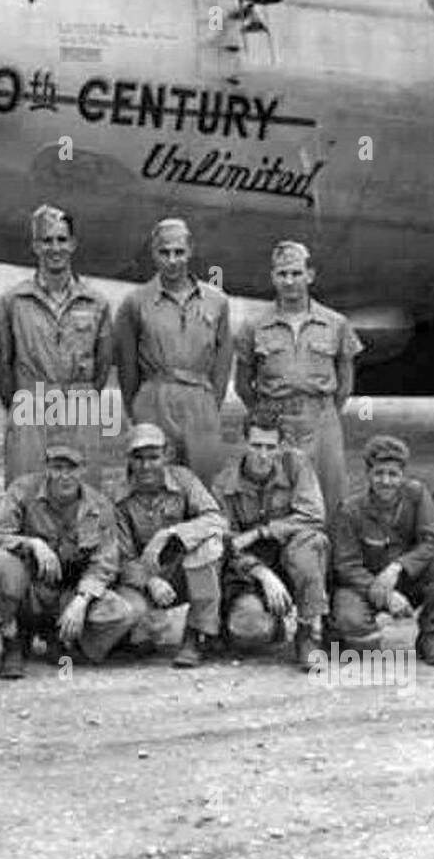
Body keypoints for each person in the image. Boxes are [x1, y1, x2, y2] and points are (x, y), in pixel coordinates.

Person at [233, 240, 363, 522]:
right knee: (279, 493)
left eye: (295, 273)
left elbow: (345, 381)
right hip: (277, 422)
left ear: (310, 275)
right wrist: (267, 413)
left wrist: (323, 411)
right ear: (273, 277)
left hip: (320, 419)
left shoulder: (335, 323)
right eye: (282, 274)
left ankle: (332, 560)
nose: (289, 281)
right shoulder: (253, 326)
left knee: (331, 496)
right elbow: (242, 384)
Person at [0, 444, 137, 678]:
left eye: (72, 468)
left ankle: (63, 641)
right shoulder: (22, 490)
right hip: (31, 589)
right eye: (57, 468)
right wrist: (32, 543)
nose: (65, 476)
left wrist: (81, 600)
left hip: (69, 592)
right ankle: (12, 640)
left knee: (122, 612)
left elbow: (105, 563)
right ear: (46, 469)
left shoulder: (99, 505)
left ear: (82, 470)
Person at [0, 205, 114, 489]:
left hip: (79, 401)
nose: (55, 248)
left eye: (61, 240)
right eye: (47, 240)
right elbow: (3, 364)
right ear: (35, 246)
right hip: (31, 402)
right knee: (26, 487)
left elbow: (103, 364)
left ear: (73, 244)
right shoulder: (13, 301)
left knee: (83, 489)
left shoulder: (96, 302)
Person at [113, 218, 233, 485]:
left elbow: (223, 362)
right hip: (154, 397)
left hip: (200, 399)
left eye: (179, 252)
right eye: (164, 253)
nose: (172, 260)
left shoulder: (217, 301)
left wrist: (210, 404)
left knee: (206, 482)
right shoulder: (135, 302)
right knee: (152, 482)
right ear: (153, 253)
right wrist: (140, 407)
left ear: (190, 251)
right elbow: (127, 366)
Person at [331, 435, 434, 666]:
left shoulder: (416, 495)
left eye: (393, 474)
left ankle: (429, 636)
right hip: (364, 586)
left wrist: (397, 568)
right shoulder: (350, 510)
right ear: (368, 475)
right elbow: (346, 566)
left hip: (406, 579)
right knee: (358, 640)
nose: (386, 481)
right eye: (379, 473)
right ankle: (342, 634)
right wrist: (385, 594)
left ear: (403, 475)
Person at [212, 416, 330, 665]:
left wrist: (261, 532)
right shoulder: (224, 484)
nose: (263, 455)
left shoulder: (296, 465)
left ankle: (307, 634)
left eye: (270, 447)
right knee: (249, 632)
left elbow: (313, 516)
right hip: (250, 571)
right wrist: (263, 574)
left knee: (310, 542)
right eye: (256, 446)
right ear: (243, 443)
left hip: (292, 558)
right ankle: (266, 620)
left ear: (282, 446)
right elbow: (227, 543)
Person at [112, 424, 228, 668]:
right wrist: (150, 580)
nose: (146, 466)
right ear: (128, 459)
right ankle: (142, 633)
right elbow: (120, 556)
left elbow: (215, 520)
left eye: (153, 457)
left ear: (166, 455)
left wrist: (170, 533)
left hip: (182, 569)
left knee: (209, 547)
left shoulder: (184, 479)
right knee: (139, 634)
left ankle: (196, 635)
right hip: (143, 577)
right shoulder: (118, 498)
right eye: (139, 458)